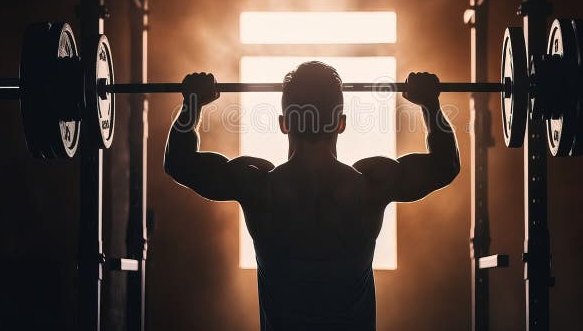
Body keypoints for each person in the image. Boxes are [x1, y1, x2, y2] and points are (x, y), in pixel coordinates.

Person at [164, 61, 460, 331]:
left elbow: (178, 162)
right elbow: (446, 165)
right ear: (341, 123)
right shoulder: (371, 185)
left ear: (284, 124)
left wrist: (193, 103)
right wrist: (430, 104)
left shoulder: (256, 185)